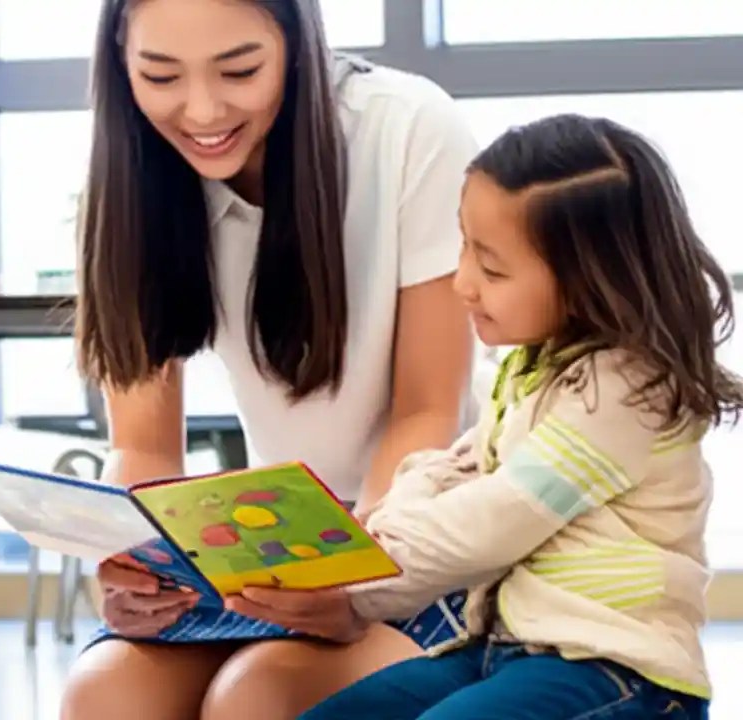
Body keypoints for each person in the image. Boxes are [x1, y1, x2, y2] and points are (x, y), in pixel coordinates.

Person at [62, 0, 480, 718]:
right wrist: (134, 568)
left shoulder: (406, 128)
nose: (200, 110)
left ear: (295, 43)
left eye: (240, 70)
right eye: (160, 77)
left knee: (255, 697)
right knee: (106, 695)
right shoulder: (134, 179)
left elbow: (427, 410)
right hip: (272, 557)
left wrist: (353, 576)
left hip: (423, 540)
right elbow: (141, 446)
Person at [299, 113, 735, 719]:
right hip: (505, 649)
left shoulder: (628, 392)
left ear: (589, 283)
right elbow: (451, 469)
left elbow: (497, 518)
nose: (463, 283)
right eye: (464, 247)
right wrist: (383, 527)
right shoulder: (531, 369)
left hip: (619, 673)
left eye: (493, 267)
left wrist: (363, 575)